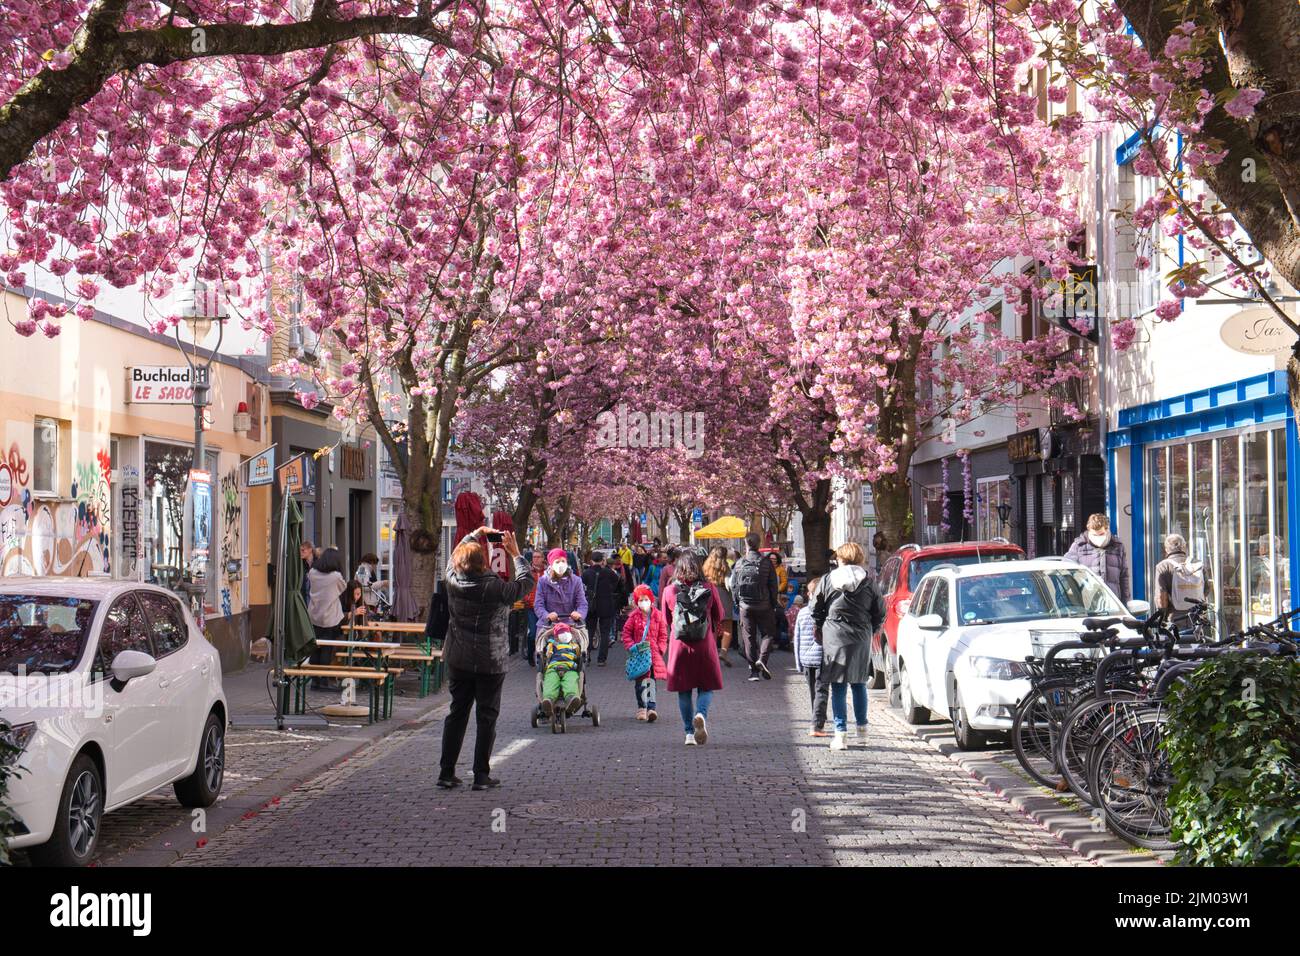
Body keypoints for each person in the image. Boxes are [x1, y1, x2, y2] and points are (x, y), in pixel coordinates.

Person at [438, 527, 533, 791]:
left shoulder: (452, 581)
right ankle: (481, 774)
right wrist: (515, 554)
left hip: (458, 658)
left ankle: (446, 772)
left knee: (457, 712)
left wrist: (475, 533)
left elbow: (454, 556)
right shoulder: (495, 587)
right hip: (490, 661)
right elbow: (526, 583)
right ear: (483, 563)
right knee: (486, 716)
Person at [813, 542, 885, 751]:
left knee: (838, 686)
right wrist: (871, 628)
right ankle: (862, 731)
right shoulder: (869, 582)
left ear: (841, 559)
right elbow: (880, 611)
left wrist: (821, 626)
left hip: (834, 635)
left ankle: (840, 734)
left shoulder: (828, 580)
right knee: (859, 683)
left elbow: (816, 608)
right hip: (861, 635)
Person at [661, 550, 725, 746]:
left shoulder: (670, 591)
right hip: (704, 643)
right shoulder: (708, 587)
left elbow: (666, 619)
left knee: (684, 690)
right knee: (707, 686)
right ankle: (701, 714)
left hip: (680, 646)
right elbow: (720, 614)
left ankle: (689, 733)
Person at [729, 533, 780, 682]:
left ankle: (753, 672)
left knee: (748, 637)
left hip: (745, 605)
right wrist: (772, 603)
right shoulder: (766, 562)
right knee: (768, 634)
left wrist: (737, 603)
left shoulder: (739, 563)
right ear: (759, 543)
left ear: (746, 544)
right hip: (764, 604)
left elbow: (733, 586)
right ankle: (762, 659)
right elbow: (773, 585)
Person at [622, 584, 668, 722]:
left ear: (651, 599)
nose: (643, 602)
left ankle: (651, 708)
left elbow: (663, 635)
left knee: (651, 682)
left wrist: (660, 649)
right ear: (636, 602)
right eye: (640, 600)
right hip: (640, 655)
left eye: (646, 599)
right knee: (640, 683)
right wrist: (632, 647)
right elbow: (626, 633)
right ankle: (641, 707)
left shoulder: (658, 616)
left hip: (653, 655)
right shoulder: (633, 617)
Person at [1065, 513, 1131, 603]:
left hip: (1112, 602)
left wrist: (1126, 602)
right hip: (1086, 603)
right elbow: (1066, 572)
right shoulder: (1079, 546)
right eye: (1094, 535)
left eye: (1101, 534)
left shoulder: (1117, 546)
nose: (1098, 538)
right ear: (1089, 531)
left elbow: (1124, 576)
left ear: (1107, 529)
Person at [305, 548, 346, 688]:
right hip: (330, 617)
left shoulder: (312, 573)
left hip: (314, 615)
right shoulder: (335, 576)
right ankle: (323, 680)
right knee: (326, 649)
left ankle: (314, 680)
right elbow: (343, 587)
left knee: (315, 647)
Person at [793, 577, 829, 737]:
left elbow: (797, 638)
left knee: (813, 690)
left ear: (809, 594)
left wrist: (798, 663)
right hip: (822, 657)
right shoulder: (826, 612)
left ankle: (816, 718)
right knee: (822, 690)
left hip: (806, 659)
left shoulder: (802, 613)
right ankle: (817, 724)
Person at [1155, 533, 1205, 636]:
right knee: (1198, 649)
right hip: (1196, 618)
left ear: (1166, 549)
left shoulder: (1163, 566)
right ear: (1184, 547)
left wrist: (1162, 618)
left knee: (1176, 650)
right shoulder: (1198, 564)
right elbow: (1206, 589)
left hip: (1174, 619)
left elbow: (1161, 597)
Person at [534, 547, 589, 633]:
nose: (561, 564)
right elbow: (538, 605)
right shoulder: (543, 581)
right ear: (551, 565)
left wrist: (579, 614)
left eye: (563, 561)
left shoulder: (576, 581)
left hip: (571, 626)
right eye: (557, 562)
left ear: (567, 563)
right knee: (541, 644)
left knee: (581, 644)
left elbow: (582, 603)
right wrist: (546, 616)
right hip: (548, 626)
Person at [582, 551, 622, 666]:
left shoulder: (586, 573)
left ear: (591, 561)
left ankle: (587, 657)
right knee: (605, 632)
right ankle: (601, 659)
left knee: (589, 630)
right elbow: (617, 583)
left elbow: (582, 587)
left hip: (591, 605)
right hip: (606, 604)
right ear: (602, 561)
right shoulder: (608, 572)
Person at [538, 622, 584, 718]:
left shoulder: (574, 646)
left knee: (571, 681)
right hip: (553, 668)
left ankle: (571, 698)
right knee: (551, 682)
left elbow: (579, 656)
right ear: (556, 637)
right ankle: (549, 700)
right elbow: (547, 655)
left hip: (570, 668)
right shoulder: (552, 644)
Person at [703, 547, 736, 667]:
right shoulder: (725, 567)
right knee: (727, 626)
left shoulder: (706, 566)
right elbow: (730, 585)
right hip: (724, 597)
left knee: (713, 626)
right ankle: (723, 652)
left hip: (710, 596)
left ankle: (711, 653)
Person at [522, 550, 545, 666]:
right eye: (534, 557)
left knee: (545, 633)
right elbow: (522, 586)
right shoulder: (528, 572)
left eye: (538, 557)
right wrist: (525, 597)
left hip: (546, 608)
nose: (535, 559)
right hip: (531, 607)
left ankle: (544, 656)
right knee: (533, 633)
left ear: (543, 559)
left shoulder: (548, 572)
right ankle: (531, 654)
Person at [770, 551, 791, 651]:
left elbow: (784, 582)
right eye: (771, 559)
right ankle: (774, 640)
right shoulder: (767, 569)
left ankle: (781, 641)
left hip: (778, 597)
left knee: (780, 618)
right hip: (769, 597)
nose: (773, 561)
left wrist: (777, 589)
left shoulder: (781, 570)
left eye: (774, 559)